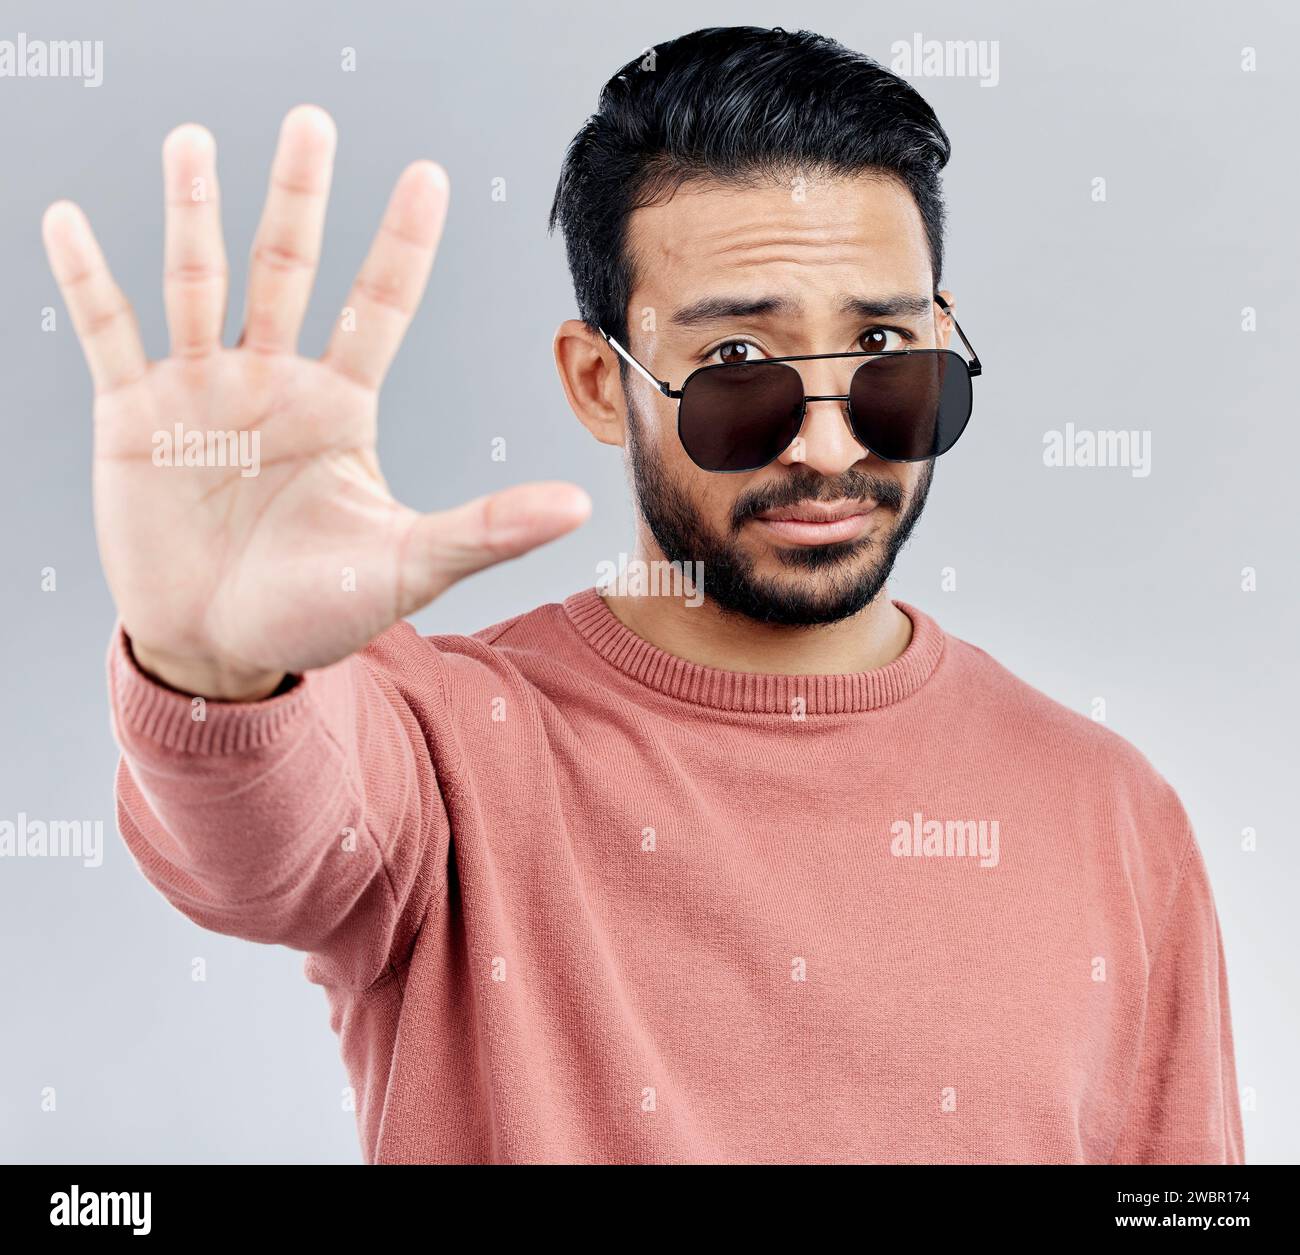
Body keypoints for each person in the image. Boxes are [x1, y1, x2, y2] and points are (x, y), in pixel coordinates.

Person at [41, 25, 1243, 1164]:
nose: (827, 447)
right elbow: (259, 844)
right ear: (597, 384)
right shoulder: (446, 749)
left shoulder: (1113, 808)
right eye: (733, 366)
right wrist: (211, 663)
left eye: (882, 354)